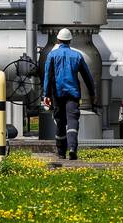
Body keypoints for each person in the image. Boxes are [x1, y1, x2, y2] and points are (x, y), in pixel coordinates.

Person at [42, 28, 97, 160]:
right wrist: (92, 93)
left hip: (58, 94)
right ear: (70, 41)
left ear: (58, 40)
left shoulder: (52, 55)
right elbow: (87, 77)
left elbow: (47, 77)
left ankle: (61, 152)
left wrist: (46, 95)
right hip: (73, 94)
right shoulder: (77, 56)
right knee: (72, 120)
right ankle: (72, 148)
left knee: (60, 121)